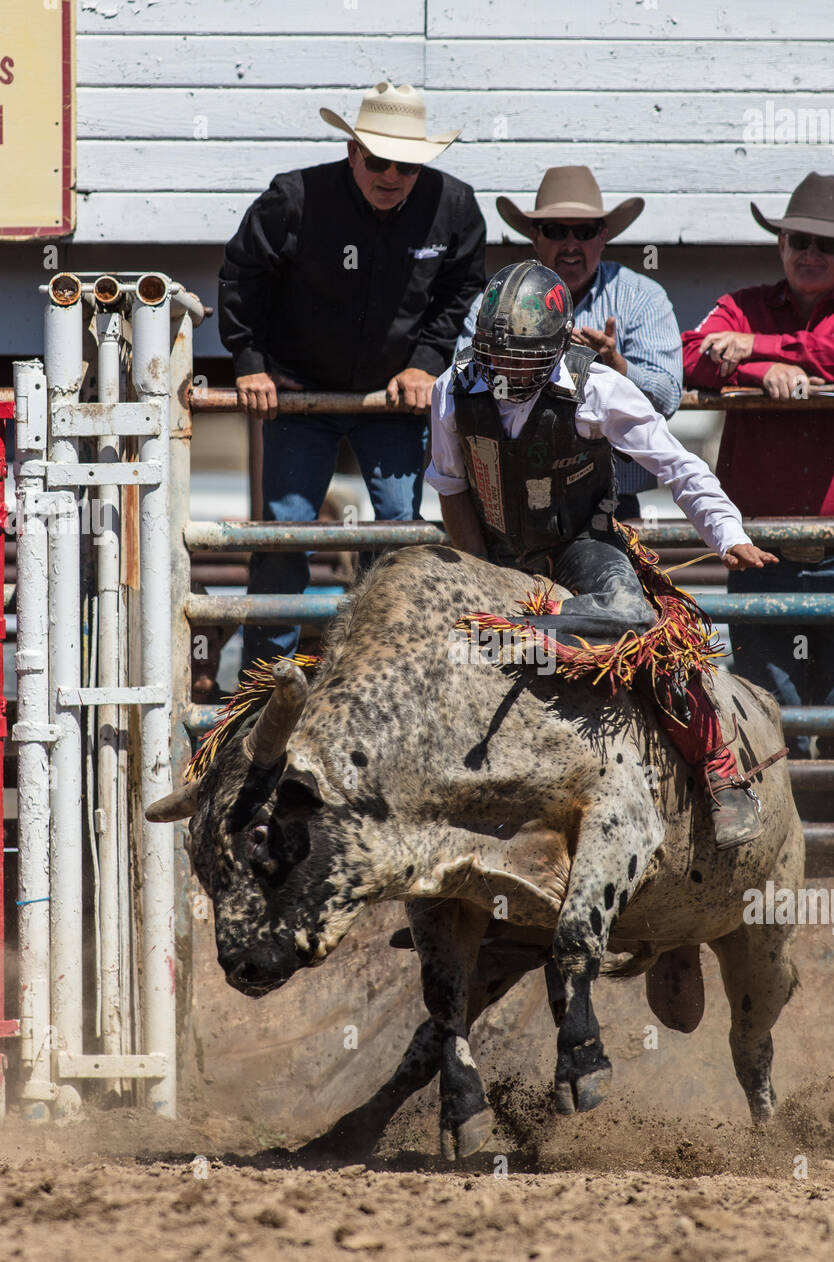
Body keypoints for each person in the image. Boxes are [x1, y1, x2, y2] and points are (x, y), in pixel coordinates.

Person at [428, 260, 778, 851]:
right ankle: (429, 838)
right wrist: (482, 576)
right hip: (497, 554)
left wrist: (727, 534)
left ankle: (721, 774)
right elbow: (452, 487)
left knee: (648, 630)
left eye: (523, 353)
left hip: (581, 544)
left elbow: (676, 464)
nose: (508, 366)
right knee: (431, 657)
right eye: (496, 351)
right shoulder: (452, 390)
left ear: (556, 345)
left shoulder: (597, 386)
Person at [219, 82, 486, 668]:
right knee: (286, 535)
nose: (391, 175)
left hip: (389, 400)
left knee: (396, 532)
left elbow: (463, 288)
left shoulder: (455, 207)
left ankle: (382, 670)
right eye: (378, 160)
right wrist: (251, 363)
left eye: (408, 165)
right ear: (352, 151)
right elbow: (242, 275)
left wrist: (426, 363)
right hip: (301, 394)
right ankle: (264, 684)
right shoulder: (294, 198)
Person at [681, 174, 834, 822]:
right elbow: (691, 356)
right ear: (781, 243)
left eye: (825, 245)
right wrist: (760, 369)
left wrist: (760, 349)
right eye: (798, 240)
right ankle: (778, 849)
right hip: (766, 548)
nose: (810, 253)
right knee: (763, 709)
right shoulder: (737, 305)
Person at [456, 166, 683, 519]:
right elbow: (464, 379)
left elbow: (668, 399)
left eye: (585, 231)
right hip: (514, 494)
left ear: (603, 236)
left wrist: (617, 367)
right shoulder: (496, 296)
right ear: (535, 235)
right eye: (557, 231)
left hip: (610, 499)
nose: (571, 244)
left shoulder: (641, 297)